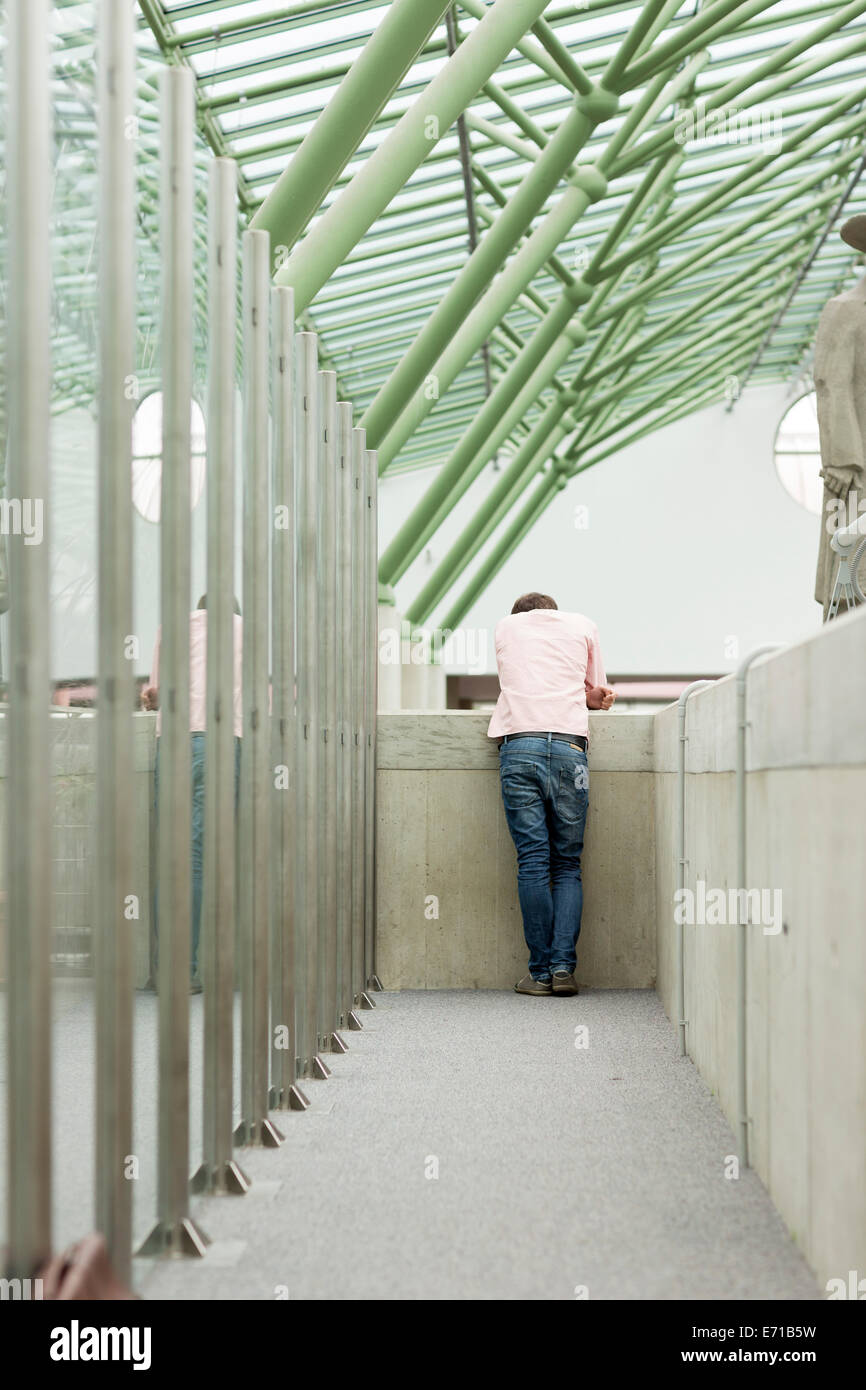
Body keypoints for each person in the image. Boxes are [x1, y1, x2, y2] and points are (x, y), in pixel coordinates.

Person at [487, 592, 615, 997]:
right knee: (566, 864)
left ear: (520, 616)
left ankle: (539, 974)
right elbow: (596, 691)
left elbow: (522, 682)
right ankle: (563, 970)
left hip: (520, 745)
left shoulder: (505, 628)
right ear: (552, 613)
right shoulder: (583, 625)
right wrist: (591, 698)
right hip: (568, 749)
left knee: (533, 860)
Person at [141, 594, 242, 992]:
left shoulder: (172, 628)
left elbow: (154, 695)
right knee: (198, 853)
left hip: (174, 742)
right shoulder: (245, 633)